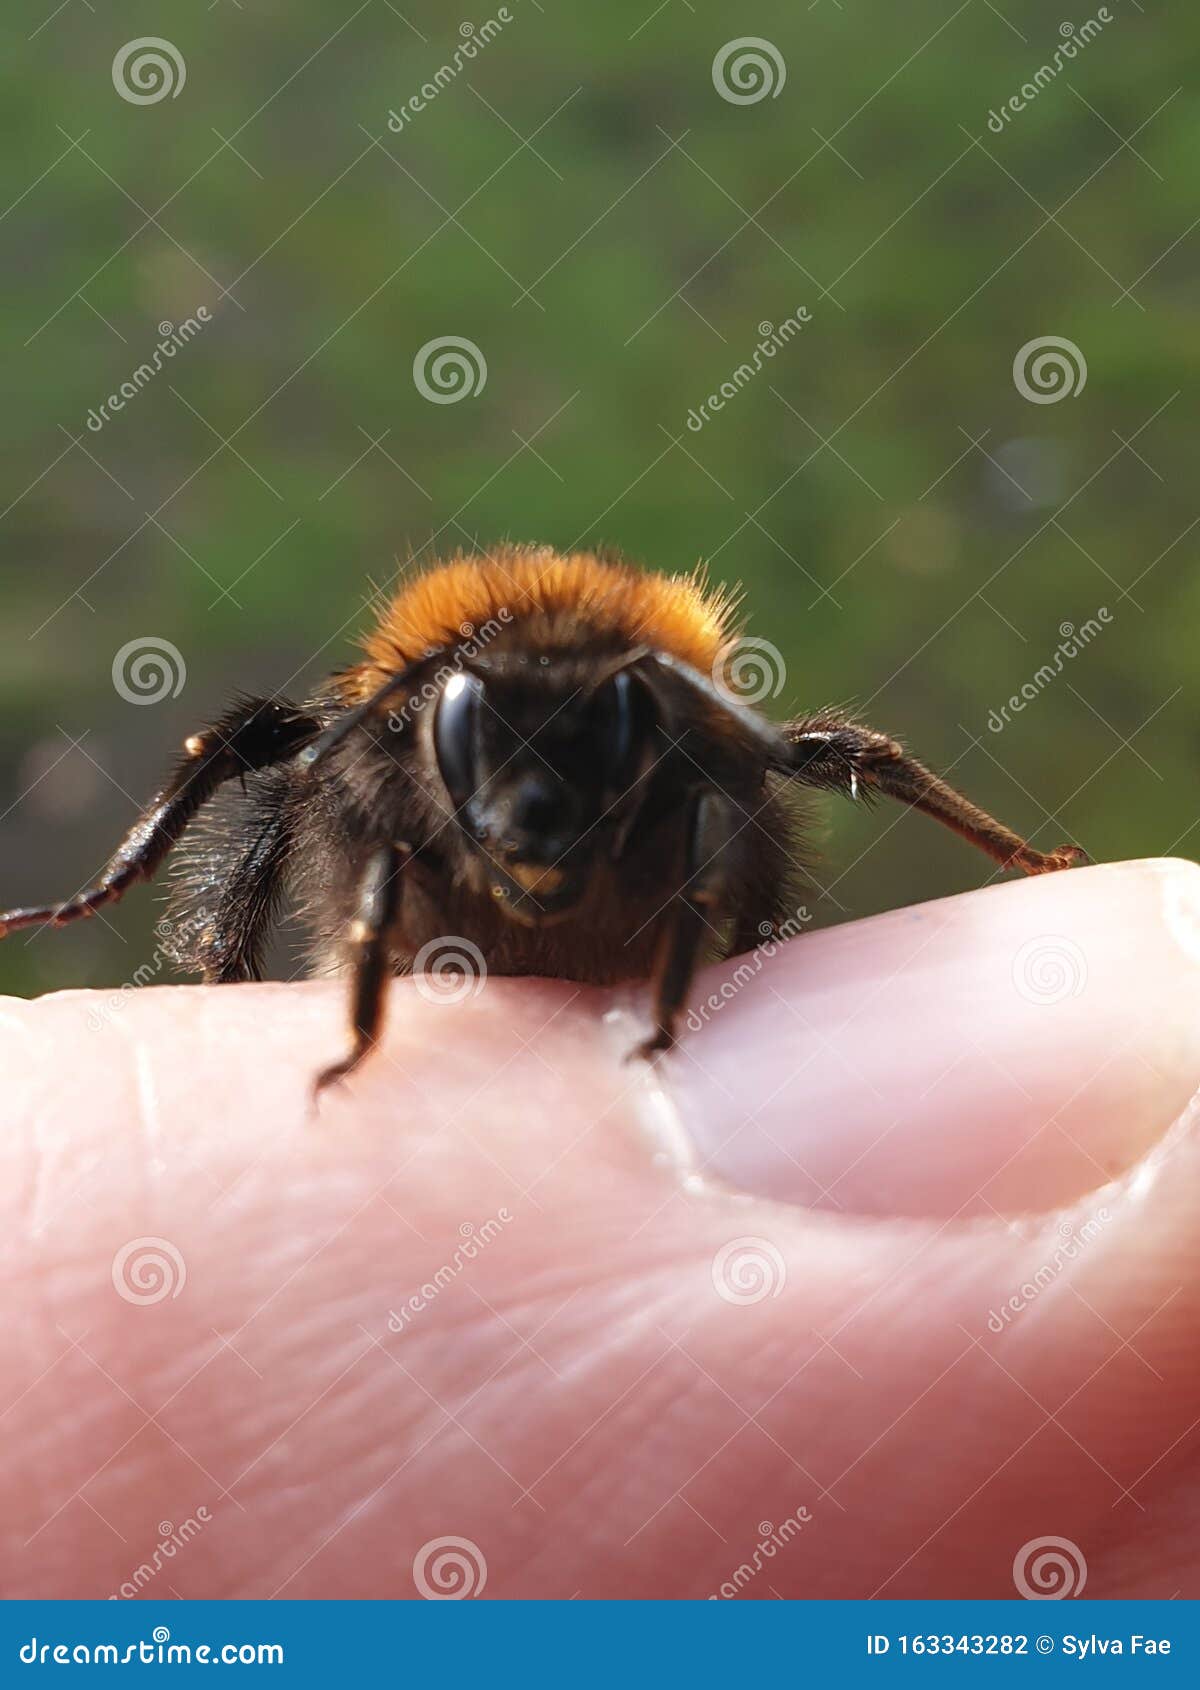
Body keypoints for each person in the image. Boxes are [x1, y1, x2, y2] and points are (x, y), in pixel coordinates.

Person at [1, 858, 1196, 1599]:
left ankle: (707, 1029)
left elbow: (815, 767)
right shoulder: (398, 751)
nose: (534, 801)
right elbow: (270, 747)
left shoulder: (681, 741)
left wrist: (729, 1010)